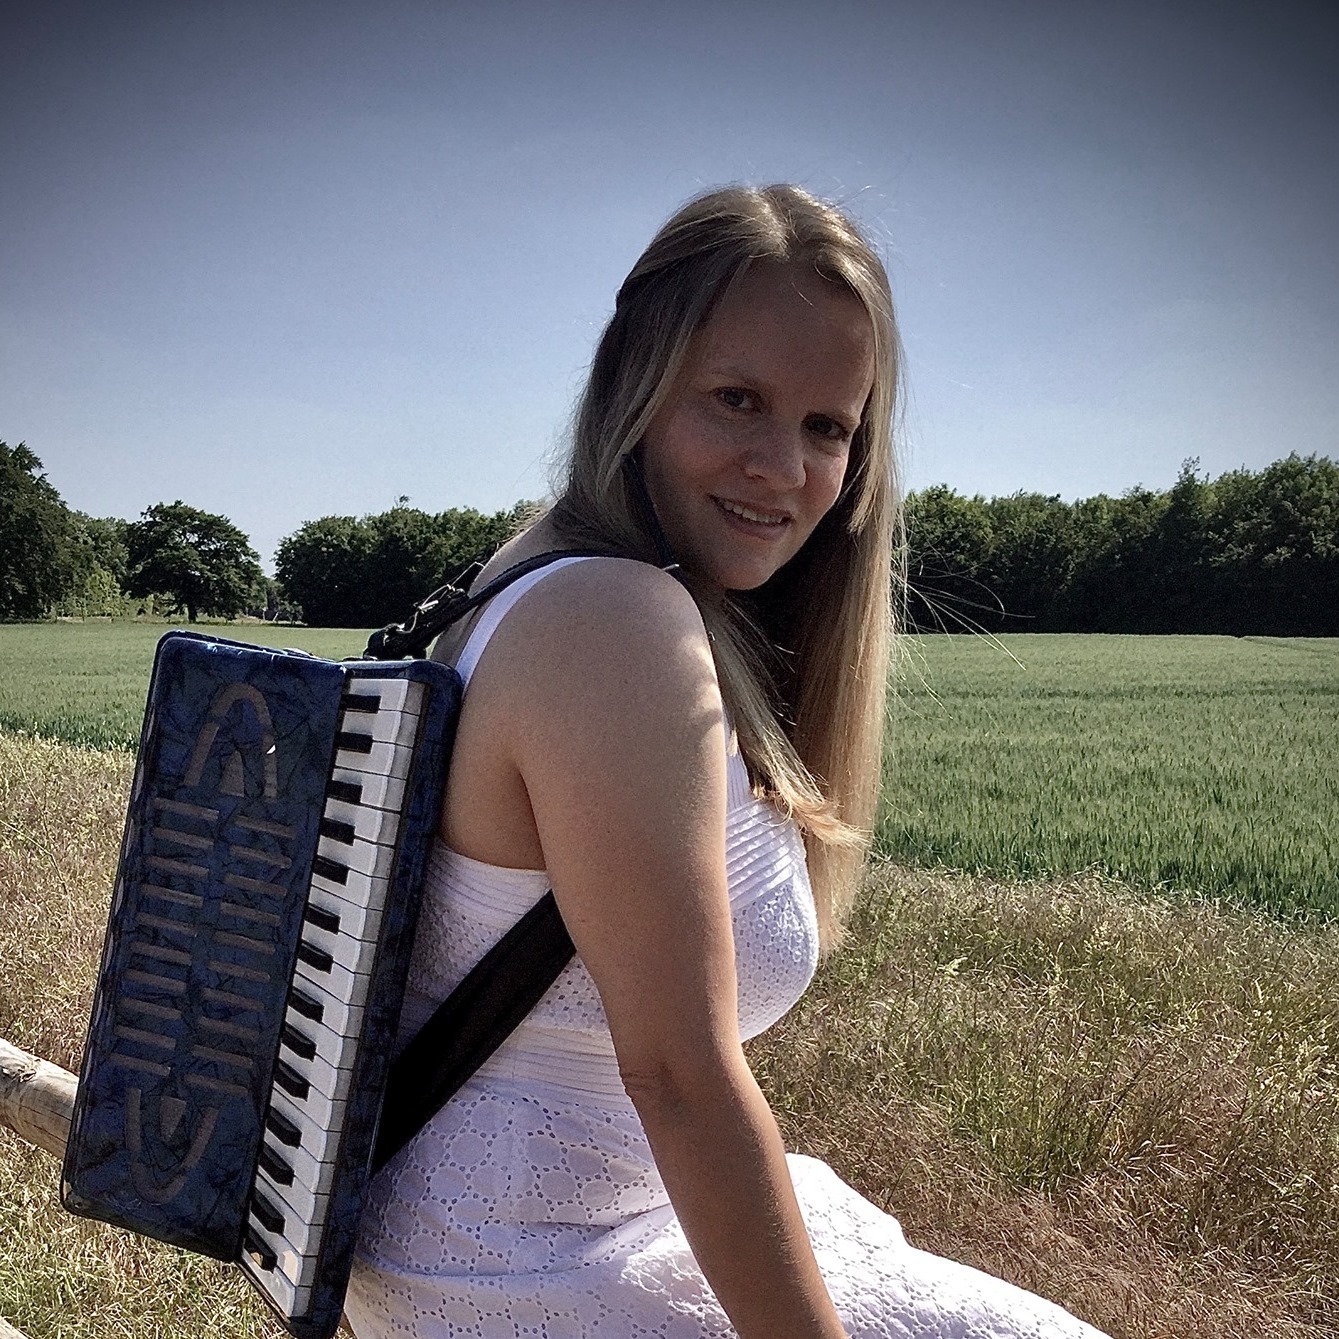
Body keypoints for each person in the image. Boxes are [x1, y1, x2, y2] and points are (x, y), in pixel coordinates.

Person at [345, 184, 1106, 1338]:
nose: (782, 468)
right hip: (511, 1265)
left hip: (528, 1226)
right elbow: (678, 1077)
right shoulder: (613, 620)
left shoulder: (536, 577)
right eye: (736, 399)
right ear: (633, 387)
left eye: (827, 427)